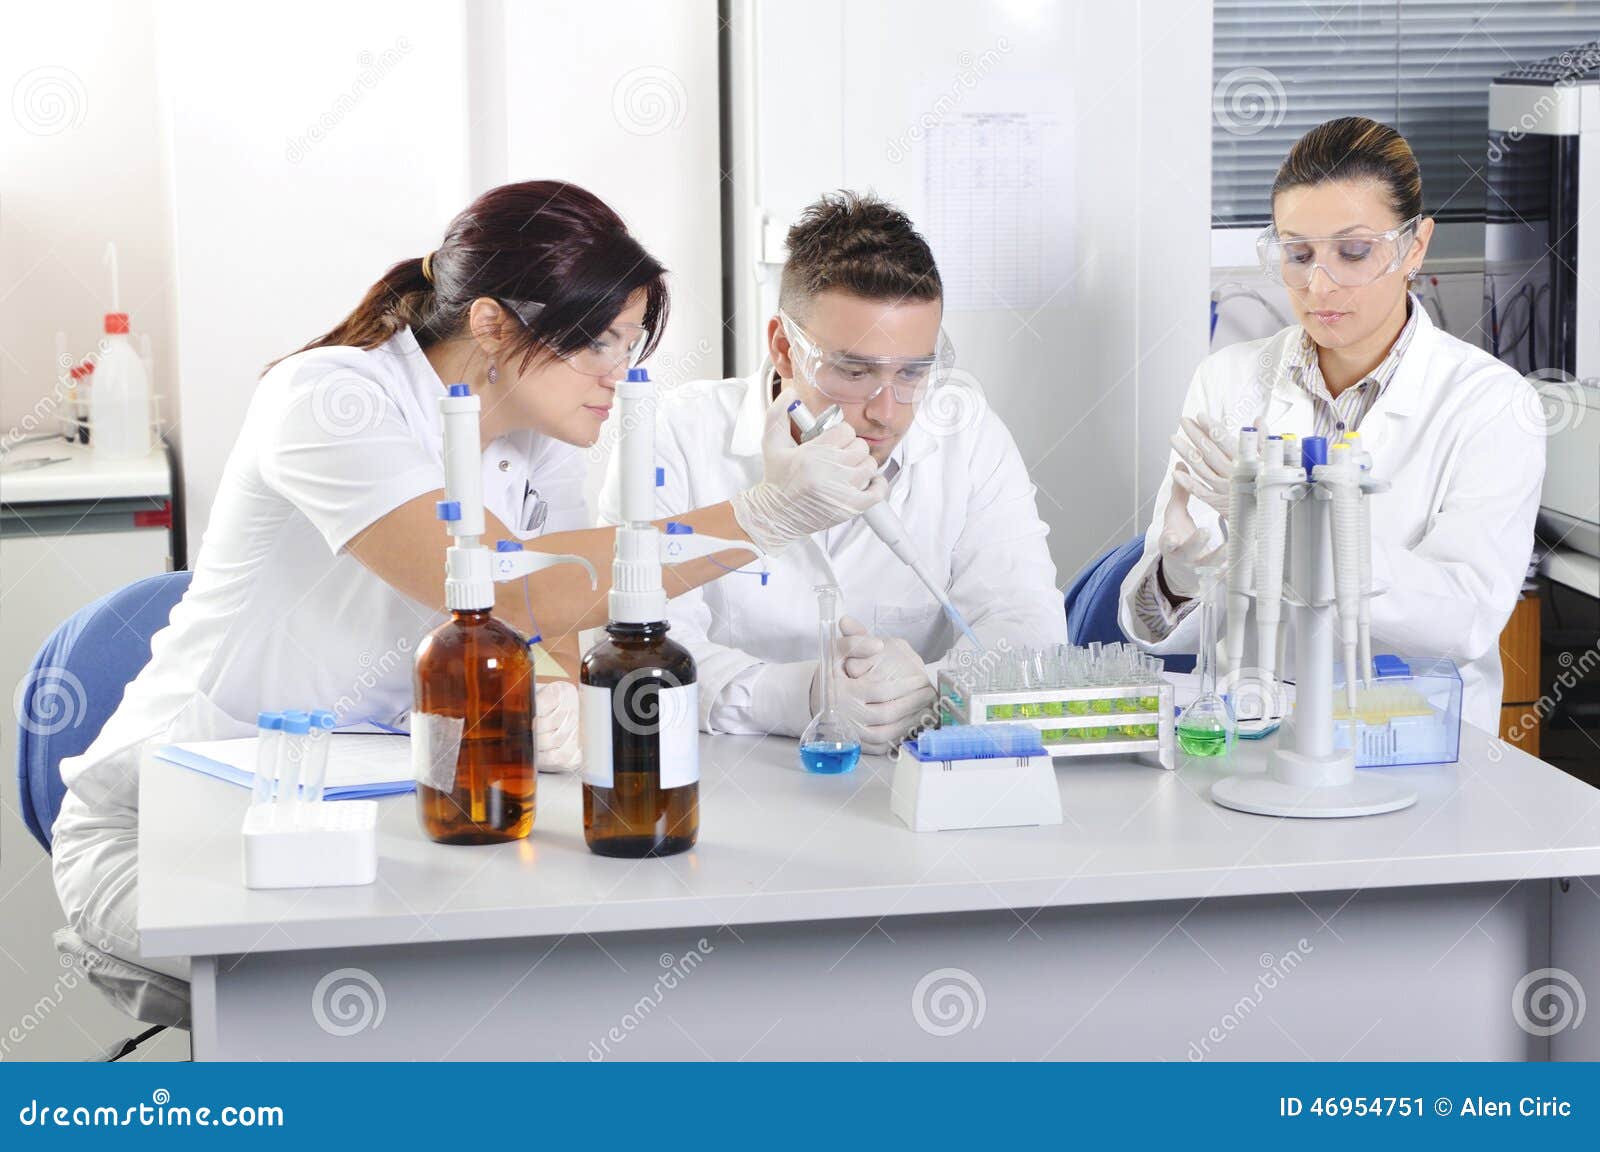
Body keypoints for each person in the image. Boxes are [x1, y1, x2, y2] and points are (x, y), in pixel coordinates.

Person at [50, 181, 886, 1010]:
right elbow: (504, 587)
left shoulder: (542, 435)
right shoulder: (330, 400)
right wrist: (764, 514)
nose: (619, 374)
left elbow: (559, 614)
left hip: (377, 813)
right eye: (598, 343)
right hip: (177, 825)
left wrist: (558, 686)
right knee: (358, 1018)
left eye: (631, 345)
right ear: (492, 324)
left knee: (519, 991)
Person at [1118, 117, 1544, 734]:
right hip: (1248, 732)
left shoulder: (1493, 405)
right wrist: (1178, 577)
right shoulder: (1230, 382)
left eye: (1353, 252)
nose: (1319, 284)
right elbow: (1168, 625)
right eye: (1298, 254)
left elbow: (1465, 618)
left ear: (1414, 247)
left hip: (1409, 745)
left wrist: (1285, 526)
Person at [600, 192, 1067, 753]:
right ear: (782, 347)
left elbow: (1026, 623)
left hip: (907, 783)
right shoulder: (672, 435)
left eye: (914, 373)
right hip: (725, 787)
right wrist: (802, 695)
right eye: (853, 370)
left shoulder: (965, 437)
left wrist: (935, 690)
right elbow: (637, 646)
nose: (886, 411)